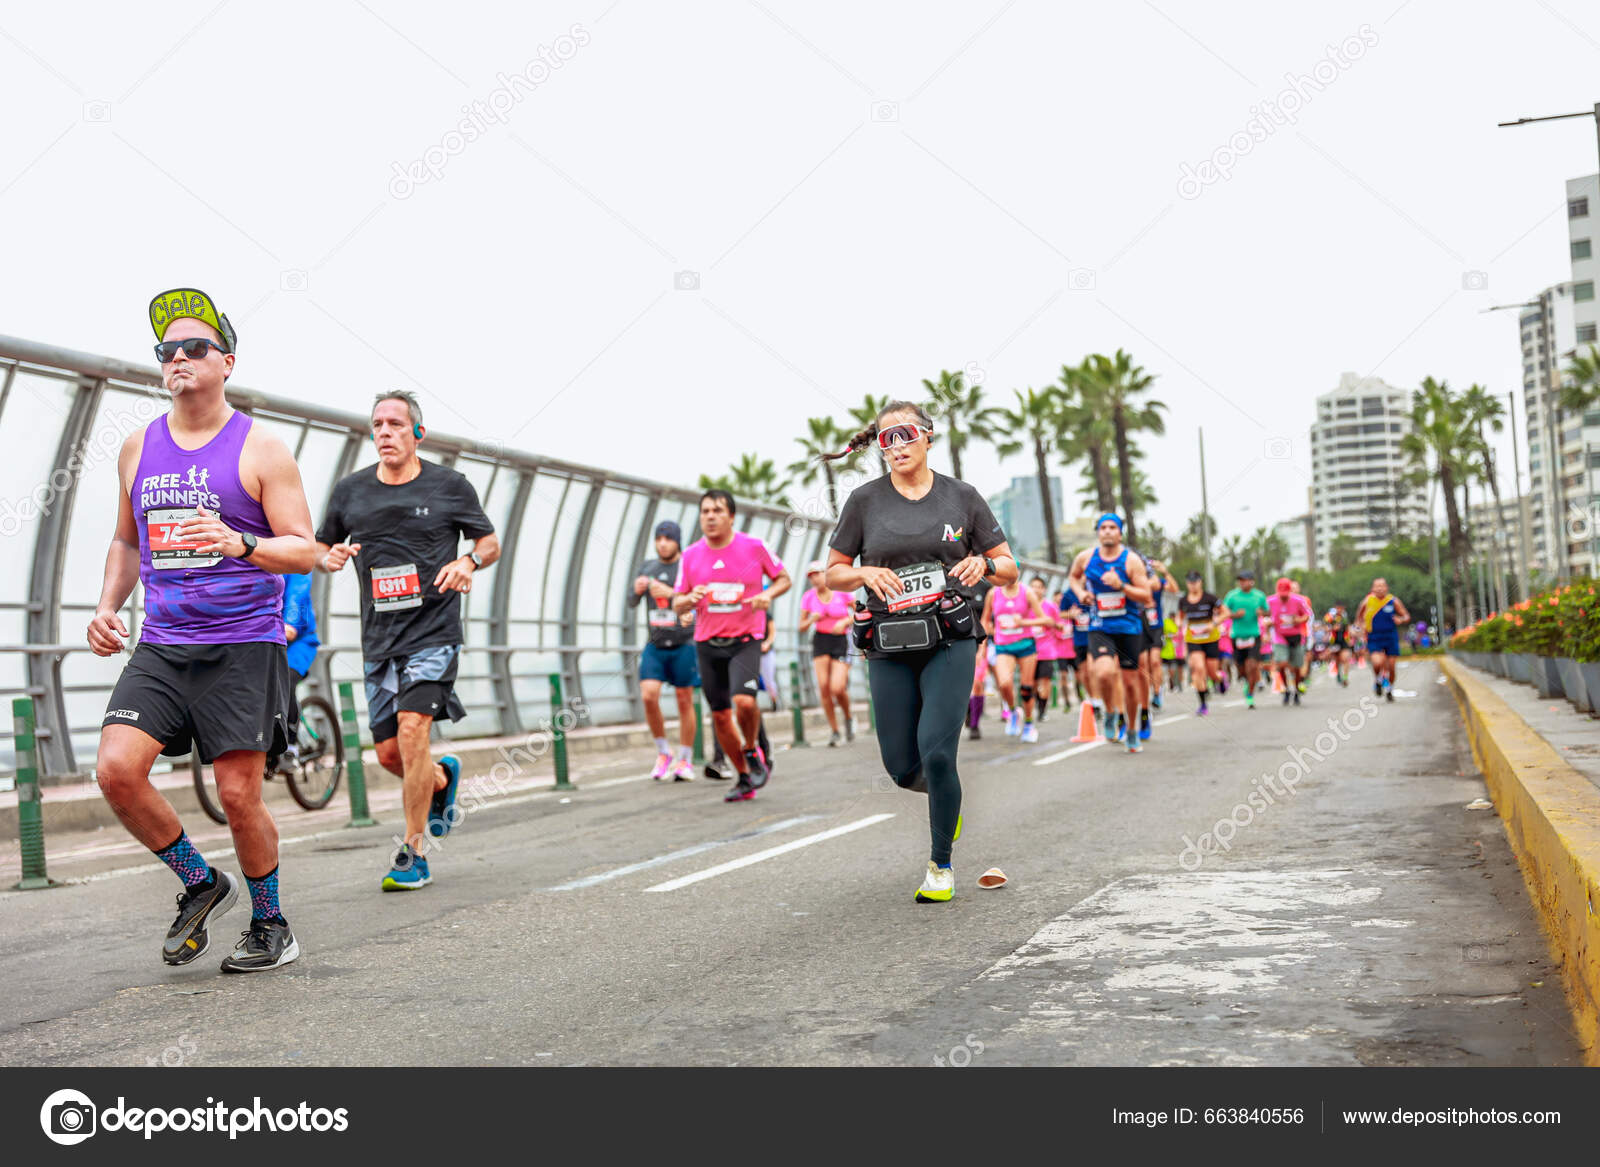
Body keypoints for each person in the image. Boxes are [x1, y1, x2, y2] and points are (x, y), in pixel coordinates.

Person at [90, 287, 317, 973]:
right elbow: (127, 541)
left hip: (244, 642)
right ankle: (200, 880)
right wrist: (107, 607)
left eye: (194, 346)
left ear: (227, 362)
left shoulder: (262, 448)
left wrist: (239, 541)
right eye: (167, 350)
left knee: (239, 794)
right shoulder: (138, 447)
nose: (178, 358)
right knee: (116, 770)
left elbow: (303, 548)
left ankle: (271, 922)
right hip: (164, 643)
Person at [821, 401, 1014, 903]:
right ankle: (947, 800)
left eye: (905, 434)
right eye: (886, 438)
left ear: (928, 436)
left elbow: (1009, 566)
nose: (897, 445)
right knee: (902, 767)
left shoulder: (962, 497)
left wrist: (984, 566)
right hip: (888, 643)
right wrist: (863, 572)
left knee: (937, 750)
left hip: (950, 638)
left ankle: (940, 866)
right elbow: (833, 573)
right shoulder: (864, 501)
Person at [315, 390, 499, 891]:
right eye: (377, 424)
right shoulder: (351, 491)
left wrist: (468, 562)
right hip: (380, 640)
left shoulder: (449, 486)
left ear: (418, 433)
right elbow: (319, 545)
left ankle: (413, 852)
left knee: (413, 729)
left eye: (395, 424)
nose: (384, 432)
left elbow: (488, 542)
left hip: (434, 632)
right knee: (390, 755)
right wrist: (326, 557)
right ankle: (442, 779)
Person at [674, 490, 791, 802]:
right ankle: (744, 776)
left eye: (717, 510)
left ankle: (752, 750)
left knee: (745, 702)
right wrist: (688, 599)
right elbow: (677, 603)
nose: (710, 516)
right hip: (707, 643)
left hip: (746, 639)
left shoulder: (754, 546)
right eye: (705, 511)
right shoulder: (690, 555)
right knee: (721, 717)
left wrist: (767, 595)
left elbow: (784, 579)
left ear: (731, 516)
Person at [1066, 514, 1154, 752]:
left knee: (1130, 684)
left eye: (1112, 527)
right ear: (1098, 532)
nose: (1107, 531)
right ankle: (1110, 711)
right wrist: (1081, 594)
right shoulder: (1086, 558)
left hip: (1129, 627)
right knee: (1103, 673)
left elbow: (1146, 595)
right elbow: (1073, 577)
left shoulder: (1131, 561)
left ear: (1120, 533)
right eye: (1103, 527)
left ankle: (1132, 729)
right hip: (1100, 626)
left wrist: (1121, 585)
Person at [629, 520, 699, 781]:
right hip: (656, 643)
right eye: (659, 539)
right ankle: (663, 752)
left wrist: (670, 593)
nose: (663, 544)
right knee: (648, 696)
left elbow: (697, 601)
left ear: (677, 541)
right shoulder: (648, 568)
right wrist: (636, 591)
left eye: (668, 539)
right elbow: (631, 602)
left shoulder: (687, 567)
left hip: (684, 643)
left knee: (684, 699)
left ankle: (685, 759)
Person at [982, 574, 1048, 743]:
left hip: (1025, 645)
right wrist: (982, 645)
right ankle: (1013, 711)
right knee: (1004, 683)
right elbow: (985, 620)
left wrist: (1023, 623)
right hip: (1003, 646)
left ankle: (1029, 724)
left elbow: (1044, 619)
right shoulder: (993, 593)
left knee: (1026, 689)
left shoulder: (1027, 592)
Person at [799, 560, 855, 746]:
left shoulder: (841, 591)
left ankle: (848, 717)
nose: (815, 579)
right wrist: (812, 619)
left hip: (841, 640)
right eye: (811, 576)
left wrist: (844, 622)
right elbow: (801, 626)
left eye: (818, 574)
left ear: (826, 574)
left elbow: (860, 613)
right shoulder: (808, 597)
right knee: (823, 687)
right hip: (821, 640)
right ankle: (835, 730)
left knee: (837, 687)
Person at [274, 571, 320, 775]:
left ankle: (290, 746)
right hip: (268, 639)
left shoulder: (291, 560)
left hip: (298, 641)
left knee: (285, 679)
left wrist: (291, 623)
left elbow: (297, 593)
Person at [1219, 570, 1272, 710]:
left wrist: (1262, 612)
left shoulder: (1259, 596)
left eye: (1245, 580)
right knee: (1241, 668)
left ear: (1251, 581)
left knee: (1252, 666)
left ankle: (1250, 694)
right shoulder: (1232, 596)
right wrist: (1234, 615)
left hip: (1254, 635)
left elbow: (1268, 612)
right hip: (1237, 636)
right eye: (1240, 580)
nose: (1242, 583)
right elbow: (1223, 612)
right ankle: (1247, 680)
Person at [1176, 572, 1224, 715]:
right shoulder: (1183, 601)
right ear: (1187, 584)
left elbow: (1225, 613)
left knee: (1212, 672)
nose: (1193, 585)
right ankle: (1202, 703)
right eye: (1190, 583)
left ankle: (1220, 679)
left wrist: (1213, 624)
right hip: (1194, 639)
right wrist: (1179, 623)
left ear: (1200, 582)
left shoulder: (1210, 598)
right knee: (1198, 668)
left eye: (1195, 582)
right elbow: (1180, 617)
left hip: (1210, 639)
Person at [1356, 578, 1410, 702]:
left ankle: (1390, 689)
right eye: (1377, 586)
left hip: (1390, 636)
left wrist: (1401, 619)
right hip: (1374, 637)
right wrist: (1360, 628)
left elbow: (1406, 615)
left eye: (1382, 586)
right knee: (1377, 662)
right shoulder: (1367, 601)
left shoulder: (1393, 601)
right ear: (1372, 589)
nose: (1380, 588)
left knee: (1391, 666)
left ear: (1387, 588)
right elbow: (1359, 618)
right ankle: (1378, 680)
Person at [1028, 575, 1072, 720]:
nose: (1035, 589)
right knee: (1032, 683)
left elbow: (1060, 625)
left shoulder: (1050, 606)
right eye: (1033, 586)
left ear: (1044, 590)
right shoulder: (1026, 606)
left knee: (1045, 681)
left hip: (1047, 650)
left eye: (1038, 587)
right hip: (1029, 650)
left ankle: (1042, 711)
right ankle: (1037, 704)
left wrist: (1051, 623)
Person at [1140, 557, 1178, 716]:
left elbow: (1174, 589)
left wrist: (1164, 571)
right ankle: (1150, 691)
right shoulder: (1135, 582)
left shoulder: (1158, 582)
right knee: (1145, 664)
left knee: (1155, 661)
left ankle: (1157, 692)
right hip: (1141, 627)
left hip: (1156, 627)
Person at [1267, 576, 1313, 706]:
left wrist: (1298, 620)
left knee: (1297, 667)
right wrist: (1267, 624)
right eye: (1281, 595)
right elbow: (1262, 614)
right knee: (1281, 663)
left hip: (1296, 636)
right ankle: (1287, 689)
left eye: (1285, 595)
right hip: (1279, 636)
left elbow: (1307, 615)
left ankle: (1296, 689)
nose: (1283, 597)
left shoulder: (1299, 600)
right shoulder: (1270, 601)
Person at [965, 578, 994, 740]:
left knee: (977, 683)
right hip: (954, 642)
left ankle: (975, 725)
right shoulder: (948, 580)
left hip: (978, 642)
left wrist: (982, 647)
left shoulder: (985, 587)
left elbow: (989, 618)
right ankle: (967, 711)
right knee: (962, 685)